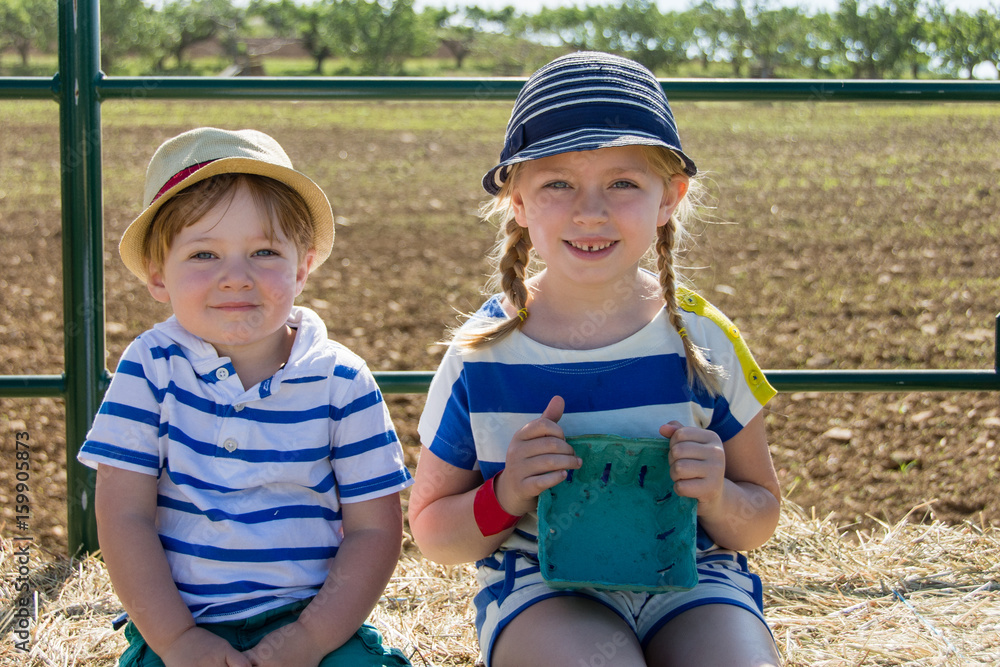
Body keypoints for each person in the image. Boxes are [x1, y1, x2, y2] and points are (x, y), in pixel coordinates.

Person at [409, 52, 782, 667]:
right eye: (557, 183)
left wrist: (717, 496)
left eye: (623, 183)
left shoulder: (705, 339)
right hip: (543, 588)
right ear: (518, 202)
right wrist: (504, 494)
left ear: (670, 197)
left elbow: (760, 516)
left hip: (697, 583)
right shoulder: (481, 354)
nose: (590, 210)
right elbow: (432, 533)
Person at [78, 127, 414, 667]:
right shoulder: (149, 368)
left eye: (263, 251)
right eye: (205, 254)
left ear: (301, 267)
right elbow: (124, 518)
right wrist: (178, 641)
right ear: (158, 276)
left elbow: (374, 529)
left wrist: (309, 640)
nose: (236, 278)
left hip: (310, 618)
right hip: (180, 619)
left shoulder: (341, 380)